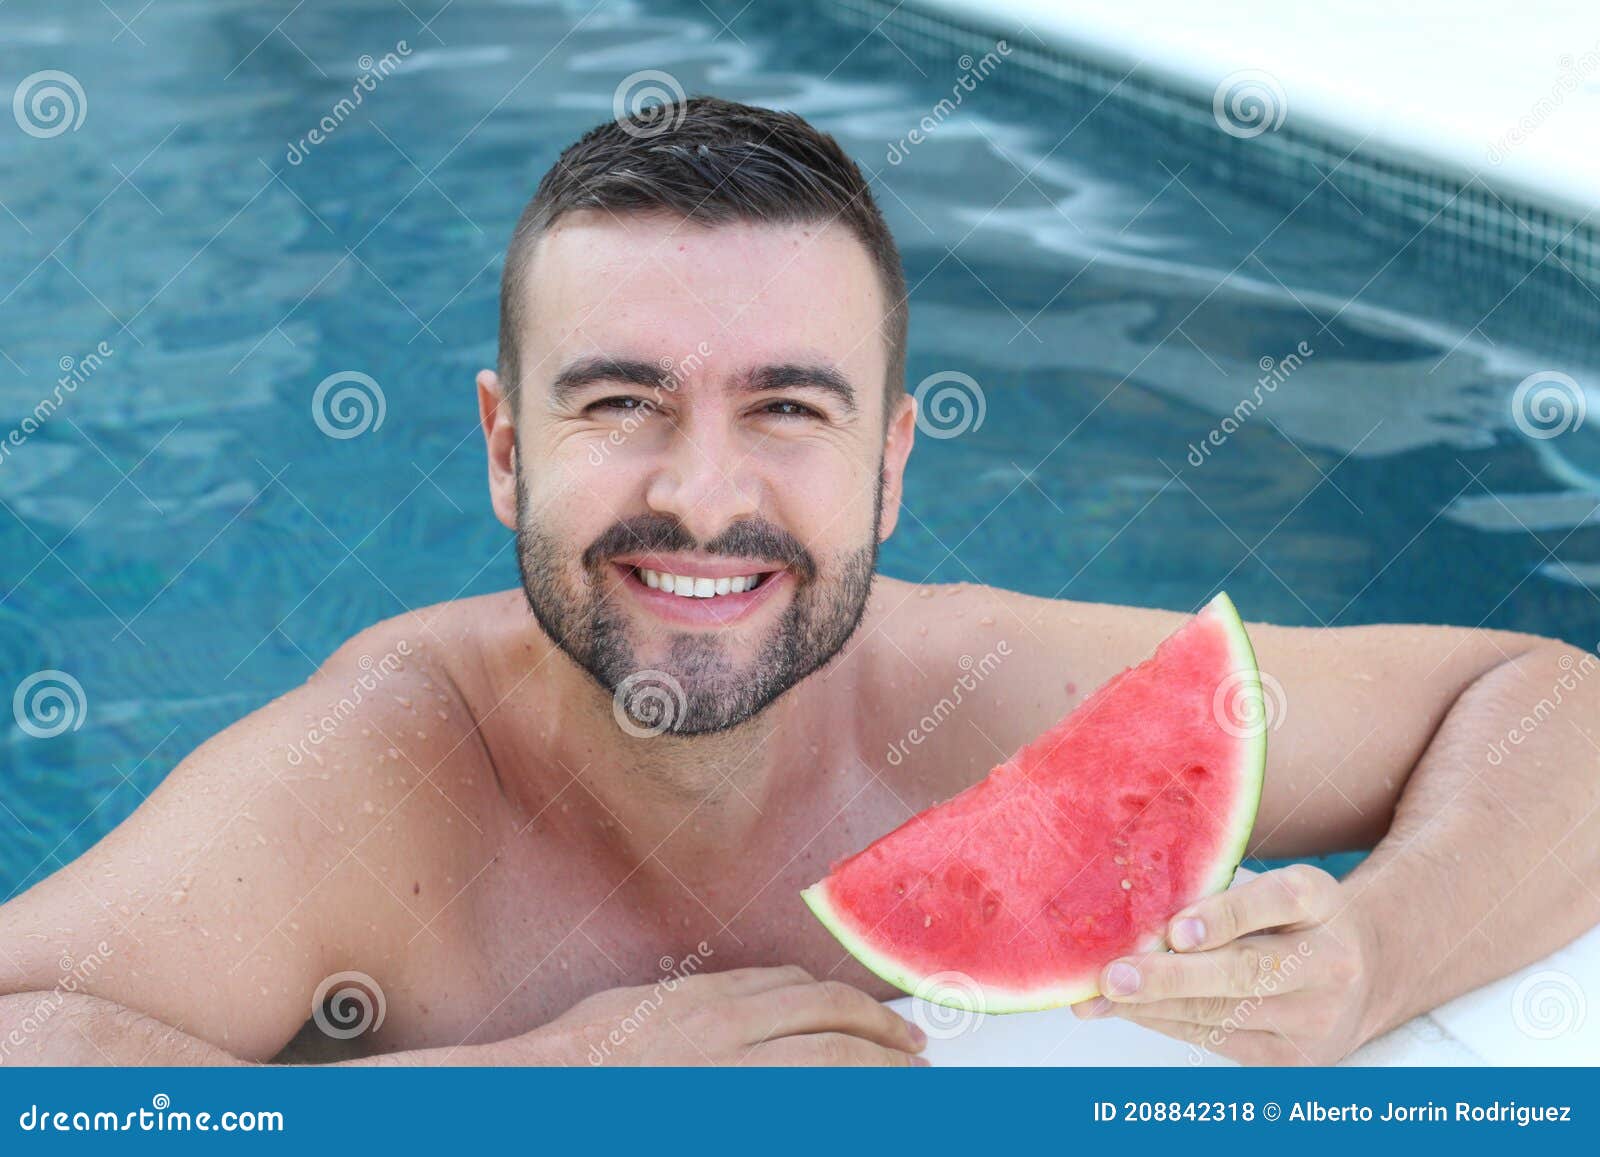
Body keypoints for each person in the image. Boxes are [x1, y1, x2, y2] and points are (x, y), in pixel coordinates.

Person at [2, 97, 1596, 1068]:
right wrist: (546, 1083)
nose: (704, 497)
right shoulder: (366, 789)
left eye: (787, 408)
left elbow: (1549, 701)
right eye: (622, 402)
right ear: (503, 448)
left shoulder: (992, 702)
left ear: (895, 462)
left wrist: (1378, 952)